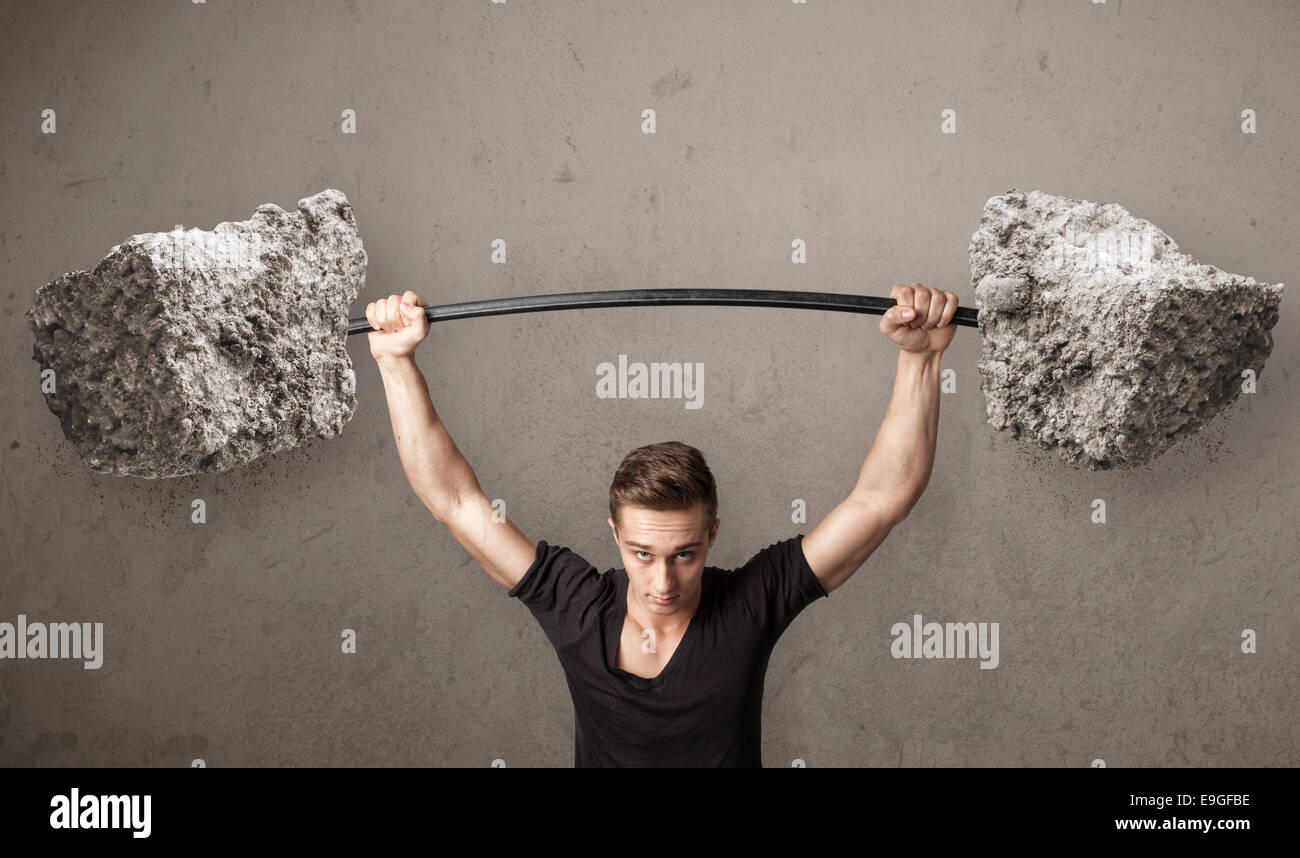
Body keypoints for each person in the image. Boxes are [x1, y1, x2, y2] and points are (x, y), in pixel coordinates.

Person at [366, 283, 958, 766]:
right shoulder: (576, 605)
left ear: (712, 537)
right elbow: (455, 501)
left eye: (684, 555)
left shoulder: (750, 603)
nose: (663, 582)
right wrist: (394, 362)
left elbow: (883, 498)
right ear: (615, 536)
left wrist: (921, 358)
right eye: (642, 554)